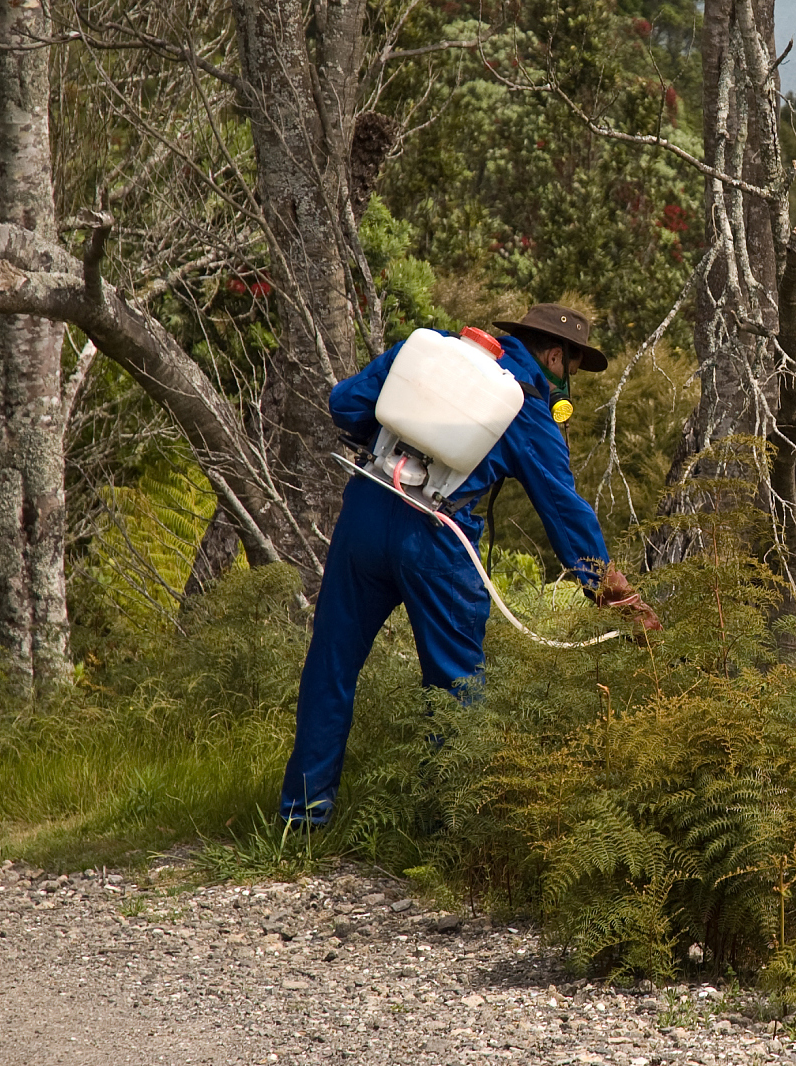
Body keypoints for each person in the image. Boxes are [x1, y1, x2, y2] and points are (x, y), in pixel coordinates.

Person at [278, 303, 651, 828]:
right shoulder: (524, 405)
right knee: (455, 688)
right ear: (553, 354)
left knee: (331, 666)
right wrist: (617, 599)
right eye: (571, 368)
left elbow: (344, 404)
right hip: (436, 536)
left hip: (366, 509)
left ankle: (301, 819)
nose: (568, 382)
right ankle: (449, 834)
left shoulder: (428, 349)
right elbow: (565, 514)